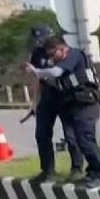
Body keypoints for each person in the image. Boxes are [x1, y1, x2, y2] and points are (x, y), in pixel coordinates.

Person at [25, 36, 100, 188]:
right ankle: (92, 173)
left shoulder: (74, 55)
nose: (51, 58)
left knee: (85, 139)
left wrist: (36, 71)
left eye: (52, 54)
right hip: (75, 103)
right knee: (80, 138)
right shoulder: (62, 59)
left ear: (62, 49)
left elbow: (56, 72)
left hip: (86, 103)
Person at [25, 24, 83, 182]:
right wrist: (34, 104)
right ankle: (47, 170)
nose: (41, 43)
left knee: (71, 134)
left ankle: (77, 168)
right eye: (38, 40)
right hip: (47, 95)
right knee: (42, 134)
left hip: (65, 95)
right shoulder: (37, 54)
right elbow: (37, 80)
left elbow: (60, 72)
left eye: (43, 39)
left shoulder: (63, 50)